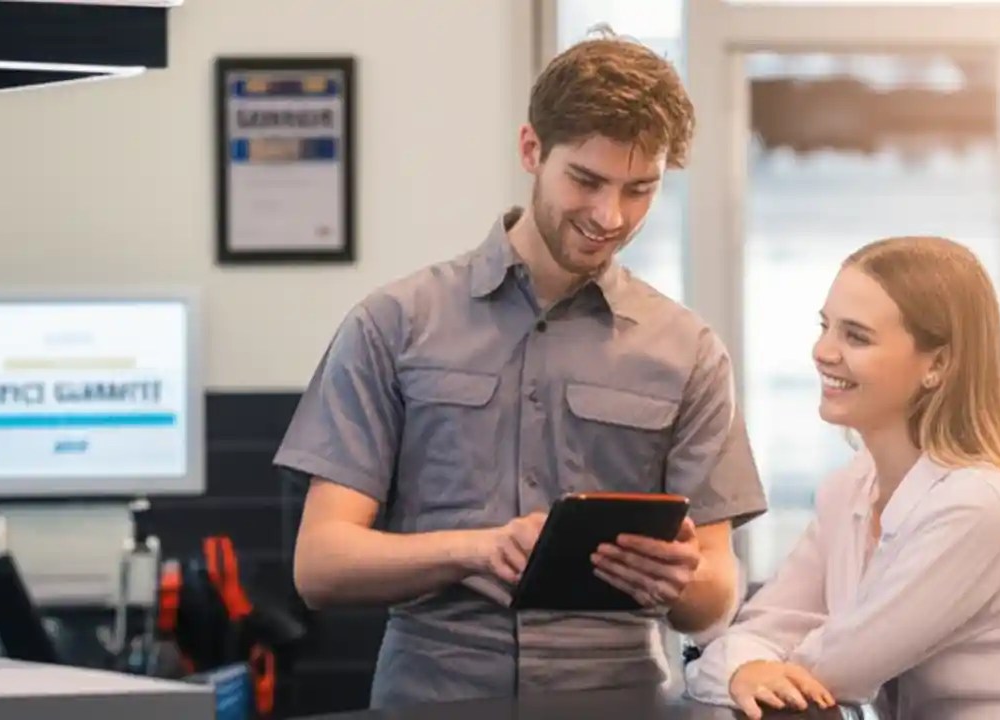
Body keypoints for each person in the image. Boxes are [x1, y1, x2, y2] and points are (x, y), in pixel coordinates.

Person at [272, 32, 768, 709]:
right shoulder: (393, 324)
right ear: (532, 150)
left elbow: (715, 590)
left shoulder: (689, 352)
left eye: (640, 190)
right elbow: (320, 565)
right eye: (586, 181)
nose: (609, 216)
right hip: (433, 698)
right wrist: (475, 550)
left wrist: (683, 579)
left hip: (621, 699)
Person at [684, 236, 1000, 719]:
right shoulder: (849, 488)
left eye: (856, 336)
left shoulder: (976, 503)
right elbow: (766, 625)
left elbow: (836, 670)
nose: (823, 351)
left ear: (938, 363)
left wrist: (734, 666)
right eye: (825, 326)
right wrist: (739, 667)